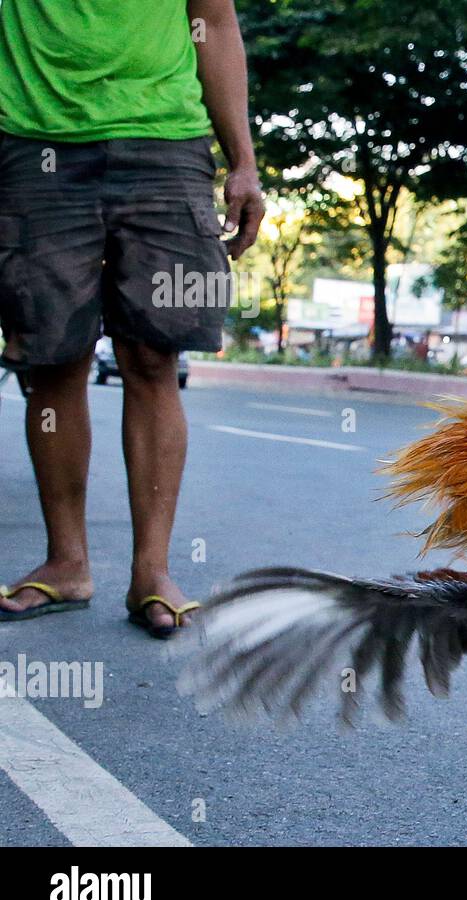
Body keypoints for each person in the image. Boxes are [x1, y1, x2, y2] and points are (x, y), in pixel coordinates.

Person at [0, 1, 264, 637]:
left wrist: (243, 160)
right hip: (34, 145)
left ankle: (153, 571)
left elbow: (216, 23)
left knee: (153, 356)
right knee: (52, 360)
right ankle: (68, 563)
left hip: (166, 147)